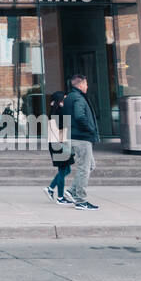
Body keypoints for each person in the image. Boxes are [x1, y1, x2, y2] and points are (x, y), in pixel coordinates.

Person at [64, 74, 101, 210]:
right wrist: (90, 129)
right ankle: (80, 199)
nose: (87, 86)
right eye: (85, 84)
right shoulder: (79, 98)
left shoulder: (69, 97)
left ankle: (72, 190)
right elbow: (80, 116)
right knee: (84, 168)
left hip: (75, 136)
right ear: (80, 85)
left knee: (90, 165)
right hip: (81, 138)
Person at [44, 90, 75, 205]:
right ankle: (60, 197)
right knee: (63, 170)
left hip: (58, 143)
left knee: (67, 169)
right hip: (59, 144)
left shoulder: (55, 110)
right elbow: (63, 126)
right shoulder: (58, 111)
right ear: (60, 100)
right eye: (65, 98)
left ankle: (51, 188)